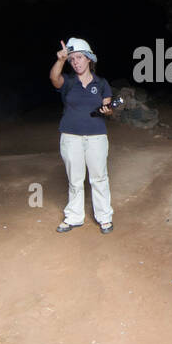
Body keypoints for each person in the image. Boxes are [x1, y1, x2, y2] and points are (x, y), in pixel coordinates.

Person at [49, 37, 116, 233]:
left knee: (99, 177)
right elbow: (54, 78)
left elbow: (108, 107)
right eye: (72, 59)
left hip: (96, 136)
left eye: (79, 57)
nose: (76, 62)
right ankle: (74, 216)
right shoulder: (68, 82)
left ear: (88, 59)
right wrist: (60, 60)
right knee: (75, 179)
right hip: (71, 137)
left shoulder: (101, 83)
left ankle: (104, 217)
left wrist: (108, 111)